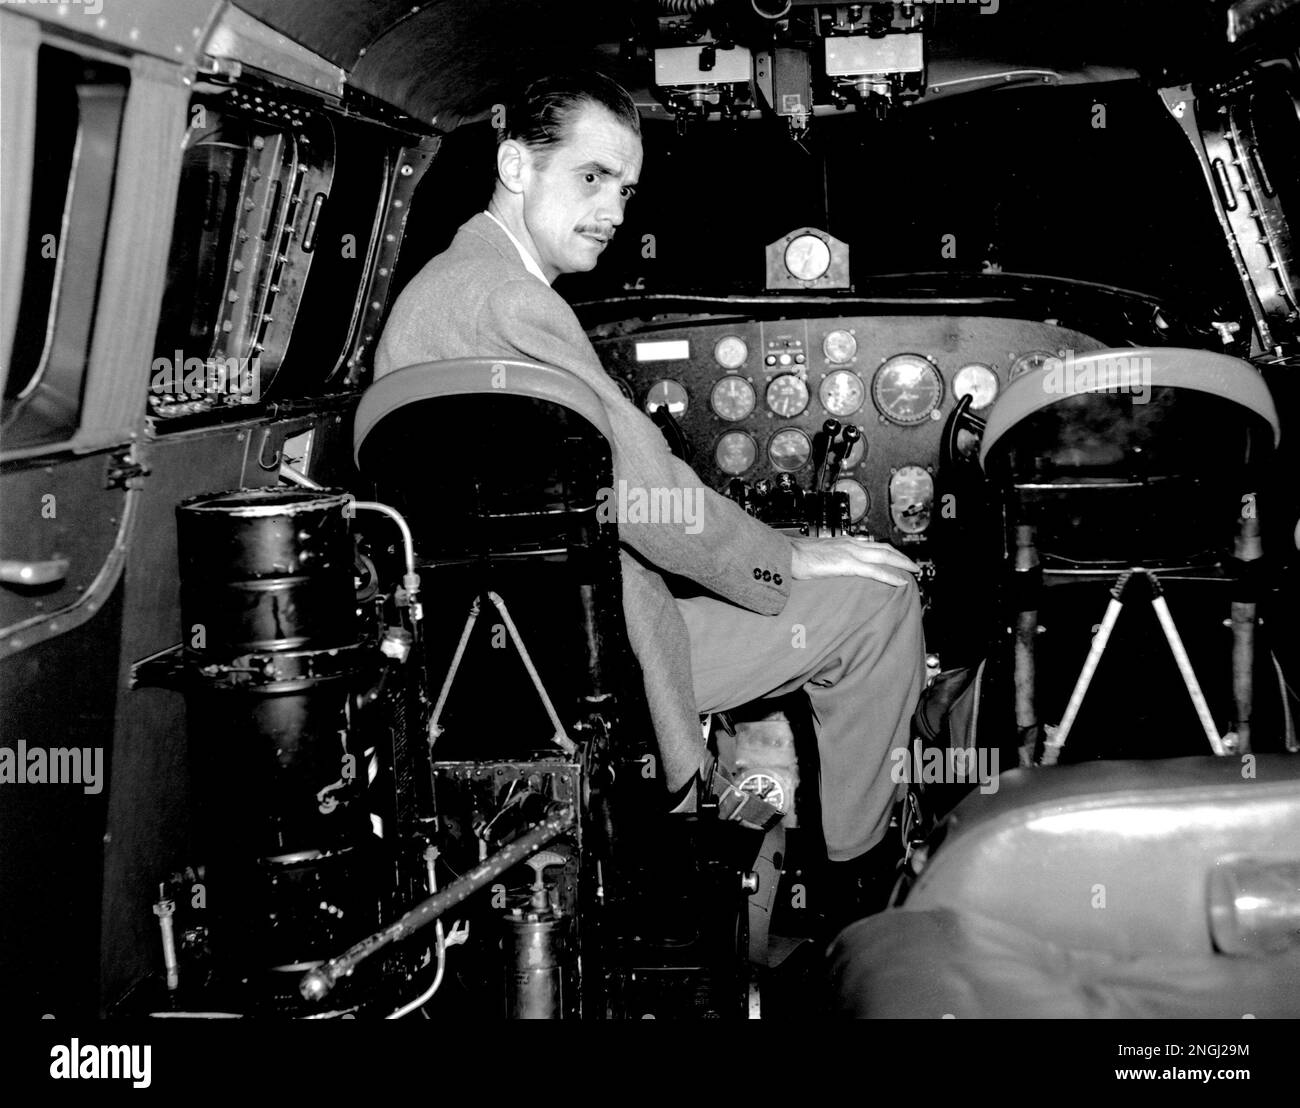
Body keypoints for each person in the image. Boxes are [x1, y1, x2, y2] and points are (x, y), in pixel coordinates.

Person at [375, 71, 926, 904]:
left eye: (626, 189)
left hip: (490, 662)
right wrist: (785, 555)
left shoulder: (440, 290)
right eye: (590, 178)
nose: (613, 210)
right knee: (877, 601)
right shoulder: (511, 301)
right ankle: (859, 879)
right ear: (517, 165)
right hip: (598, 660)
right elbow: (643, 494)